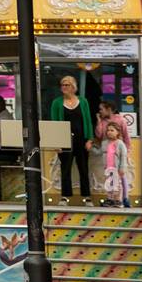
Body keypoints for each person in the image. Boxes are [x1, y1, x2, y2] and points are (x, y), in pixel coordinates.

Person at [50, 74, 92, 203]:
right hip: (65, 140)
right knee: (65, 168)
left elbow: (88, 120)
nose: (63, 87)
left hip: (81, 139)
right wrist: (57, 143)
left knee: (83, 168)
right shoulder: (57, 102)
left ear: (73, 87)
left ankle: (86, 197)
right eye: (62, 85)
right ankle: (65, 197)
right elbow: (54, 123)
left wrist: (90, 139)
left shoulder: (83, 101)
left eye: (66, 85)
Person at [92, 120, 130, 208]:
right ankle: (110, 199)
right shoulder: (105, 143)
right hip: (108, 168)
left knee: (117, 184)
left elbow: (123, 157)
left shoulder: (120, 144)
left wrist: (122, 168)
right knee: (109, 184)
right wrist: (91, 147)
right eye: (108, 130)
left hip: (117, 168)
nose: (109, 132)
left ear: (117, 132)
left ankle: (118, 200)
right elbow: (99, 152)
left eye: (112, 130)